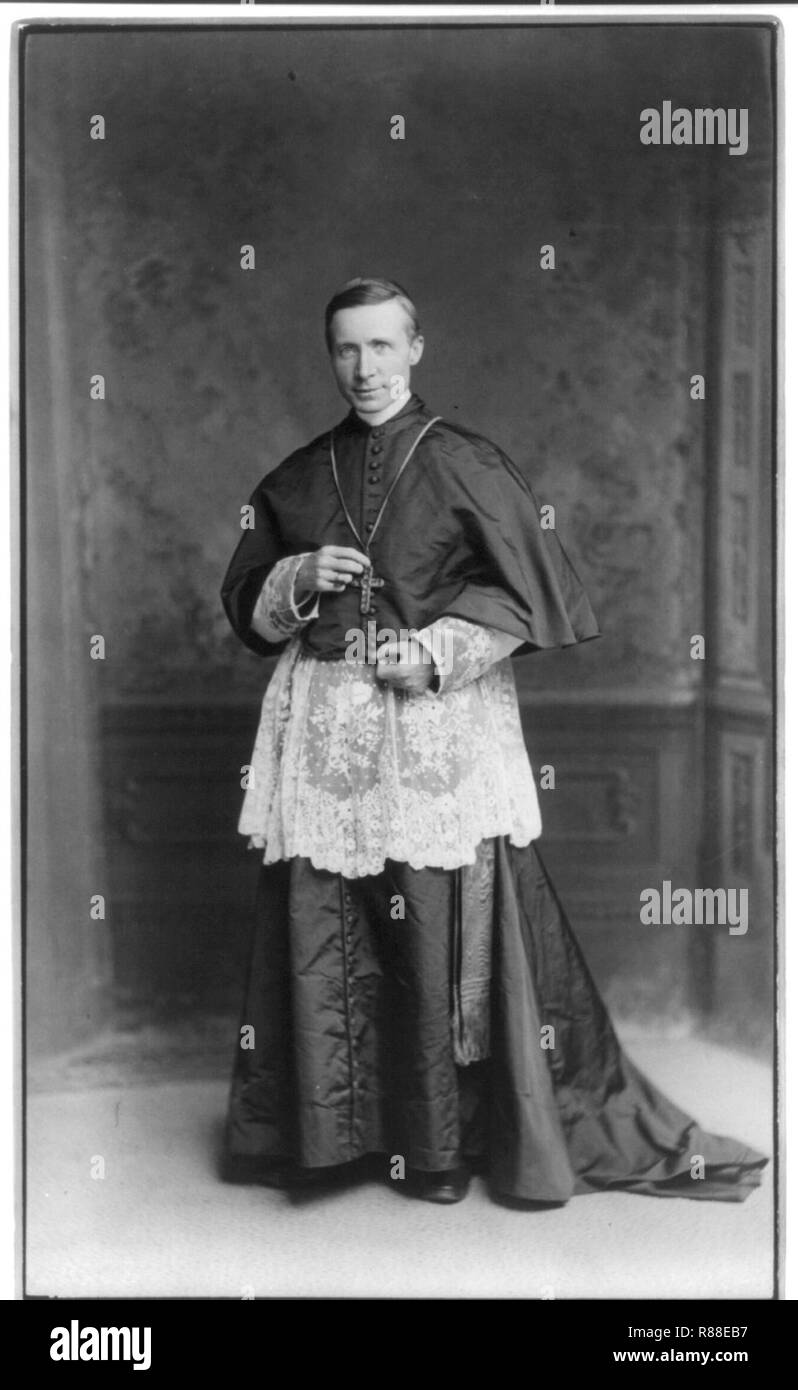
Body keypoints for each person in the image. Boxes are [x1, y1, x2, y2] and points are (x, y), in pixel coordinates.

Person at [220, 276, 767, 1205]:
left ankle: (435, 1147)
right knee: (327, 926)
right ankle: (334, 1140)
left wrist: (429, 656)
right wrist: (302, 573)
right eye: (346, 349)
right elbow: (249, 606)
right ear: (330, 355)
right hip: (326, 742)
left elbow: (524, 600)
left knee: (430, 929)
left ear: (417, 348)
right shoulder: (300, 474)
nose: (363, 368)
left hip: (430, 739)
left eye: (382, 347)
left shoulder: (467, 462)